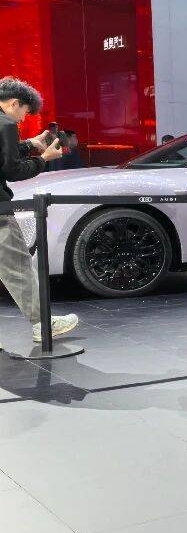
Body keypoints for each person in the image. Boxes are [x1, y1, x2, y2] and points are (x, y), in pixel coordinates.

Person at [0, 76, 78, 347]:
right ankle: (42, 323)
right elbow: (12, 170)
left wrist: (30, 143)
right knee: (18, 266)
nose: (23, 118)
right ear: (14, 103)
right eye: (25, 112)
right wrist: (43, 159)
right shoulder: (6, 123)